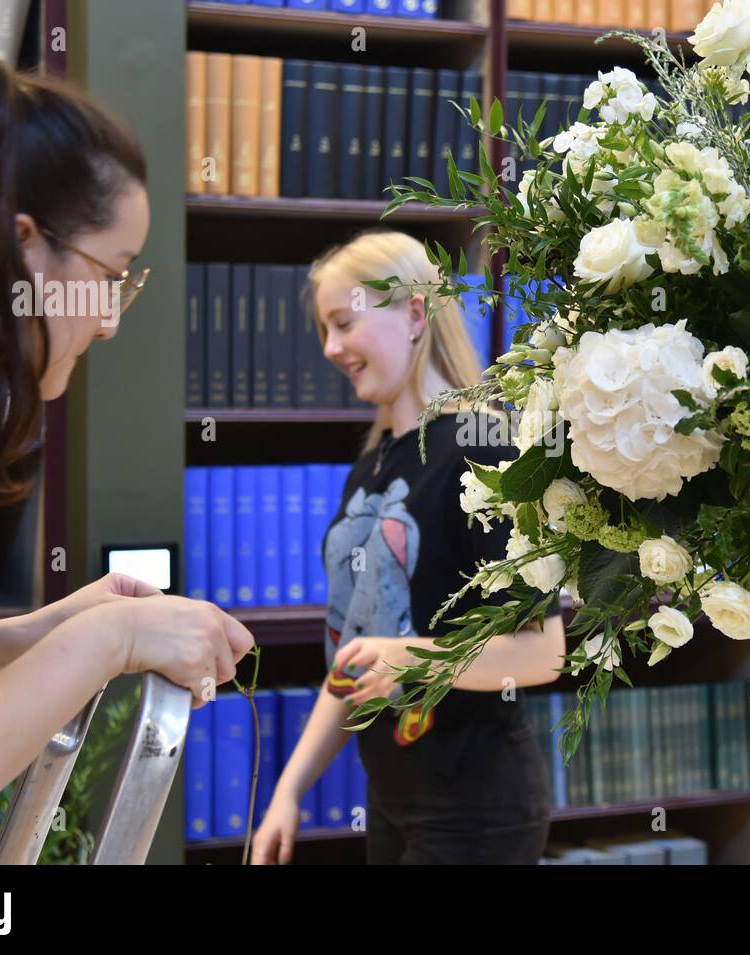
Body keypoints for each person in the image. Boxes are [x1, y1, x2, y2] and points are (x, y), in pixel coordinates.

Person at [0, 45, 252, 865]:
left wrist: (36, 635)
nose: (110, 319)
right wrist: (112, 641)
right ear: (28, 249)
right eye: (112, 275)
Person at [253, 229, 566, 865]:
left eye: (344, 322)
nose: (332, 348)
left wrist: (414, 658)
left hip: (477, 811)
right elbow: (353, 656)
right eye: (324, 330)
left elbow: (544, 653)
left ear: (415, 313)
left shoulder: (485, 450)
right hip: (396, 802)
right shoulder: (368, 469)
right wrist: (288, 791)